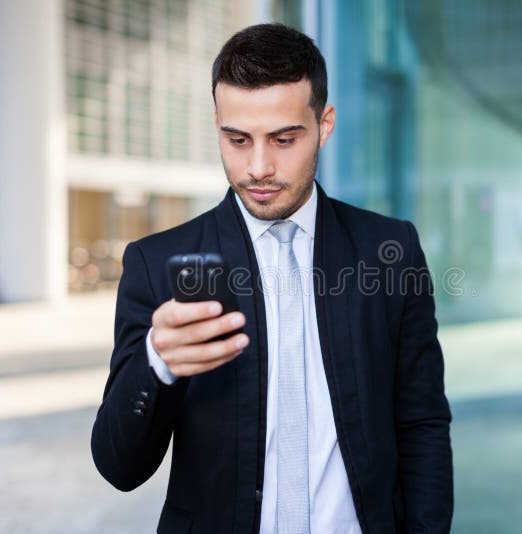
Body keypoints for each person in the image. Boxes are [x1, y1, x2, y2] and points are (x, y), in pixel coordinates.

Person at [91, 23, 453, 534]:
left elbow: (422, 424)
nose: (259, 167)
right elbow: (118, 468)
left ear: (325, 124)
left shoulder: (390, 252)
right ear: (216, 123)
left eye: (284, 139)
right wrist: (157, 364)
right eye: (237, 139)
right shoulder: (156, 263)